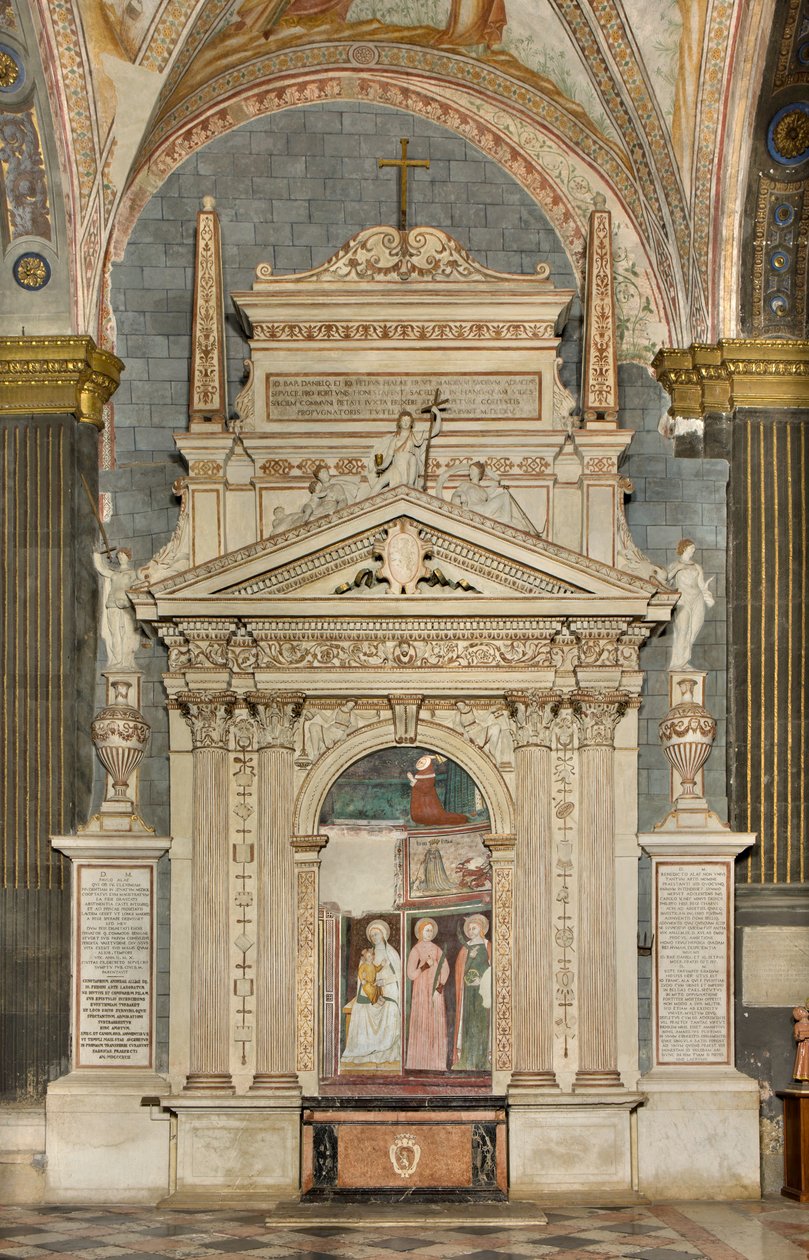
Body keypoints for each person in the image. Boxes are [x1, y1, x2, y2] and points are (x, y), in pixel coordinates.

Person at [340, 920, 401, 1071]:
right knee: (361, 1010)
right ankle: (364, 1048)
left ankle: (386, 1046)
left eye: (377, 933)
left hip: (389, 990)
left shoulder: (391, 953)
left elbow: (399, 975)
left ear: (384, 934)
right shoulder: (368, 954)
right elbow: (362, 978)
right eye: (372, 935)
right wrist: (369, 987)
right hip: (370, 992)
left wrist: (384, 981)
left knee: (391, 1009)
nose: (374, 937)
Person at [406, 918, 449, 1070]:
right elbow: (411, 974)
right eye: (426, 930)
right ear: (420, 932)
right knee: (422, 1020)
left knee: (436, 1021)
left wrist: (440, 988)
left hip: (436, 991)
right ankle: (418, 1063)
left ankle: (436, 1064)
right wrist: (425, 966)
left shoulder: (437, 949)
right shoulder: (416, 950)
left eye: (431, 930)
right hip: (421, 990)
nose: (429, 933)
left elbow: (445, 969)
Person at [666, 539, 715, 671]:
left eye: (694, 548)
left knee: (694, 629)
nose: (693, 550)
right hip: (683, 599)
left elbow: (701, 585)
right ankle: (678, 664)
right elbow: (666, 579)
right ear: (684, 548)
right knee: (683, 629)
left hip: (697, 598)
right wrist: (677, 568)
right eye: (691, 548)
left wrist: (707, 595)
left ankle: (685, 660)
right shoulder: (675, 564)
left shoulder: (697, 566)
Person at [371, 406, 442, 494]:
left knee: (407, 486)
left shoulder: (415, 436)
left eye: (408, 420)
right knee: (379, 484)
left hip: (409, 466)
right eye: (403, 420)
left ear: (411, 423)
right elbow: (389, 457)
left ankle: (409, 486)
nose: (405, 423)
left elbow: (434, 431)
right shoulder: (395, 439)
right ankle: (366, 505)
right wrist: (382, 466)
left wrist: (437, 414)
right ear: (399, 423)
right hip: (396, 467)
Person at [452, 914, 492, 1071]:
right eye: (469, 928)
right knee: (468, 1024)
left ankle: (483, 1061)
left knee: (482, 1023)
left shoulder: (488, 945)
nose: (471, 930)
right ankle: (467, 1060)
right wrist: (470, 958)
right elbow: (461, 970)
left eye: (474, 927)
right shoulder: (465, 948)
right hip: (469, 992)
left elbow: (494, 968)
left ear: (481, 928)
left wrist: (482, 980)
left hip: (484, 992)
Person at [93, 547, 141, 669]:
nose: (120, 557)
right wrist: (97, 554)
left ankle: (127, 661)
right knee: (114, 634)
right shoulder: (114, 573)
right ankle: (116, 660)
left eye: (123, 555)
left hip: (126, 605)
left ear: (128, 557)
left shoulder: (133, 573)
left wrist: (129, 602)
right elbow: (102, 569)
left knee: (128, 633)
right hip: (112, 604)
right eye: (119, 555)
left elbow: (137, 589)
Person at [408, 754, 468, 827]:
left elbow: (425, 788)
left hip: (428, 803)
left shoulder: (429, 774)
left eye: (422, 762)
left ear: (426, 765)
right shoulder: (421, 773)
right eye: (419, 761)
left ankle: (462, 818)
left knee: (436, 818)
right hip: (421, 801)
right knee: (421, 817)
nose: (419, 762)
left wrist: (412, 779)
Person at [793, 1007, 809, 1082]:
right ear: (799, 1015)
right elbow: (796, 1036)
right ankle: (804, 1079)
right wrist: (800, 1038)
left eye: (804, 1009)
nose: (804, 1011)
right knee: (804, 1061)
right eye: (802, 1011)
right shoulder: (798, 1025)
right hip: (803, 1047)